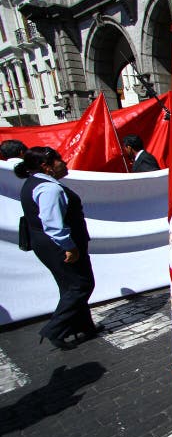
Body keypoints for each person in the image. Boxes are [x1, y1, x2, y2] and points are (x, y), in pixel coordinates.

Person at [15, 147, 102, 350]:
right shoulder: (49, 189)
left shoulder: (35, 183)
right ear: (46, 166)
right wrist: (69, 247)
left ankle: (83, 326)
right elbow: (53, 224)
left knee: (69, 285)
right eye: (59, 160)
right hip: (58, 245)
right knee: (81, 285)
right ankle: (55, 329)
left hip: (45, 244)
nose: (64, 163)